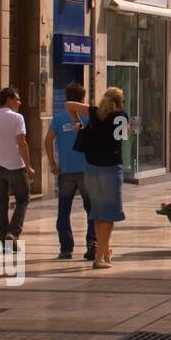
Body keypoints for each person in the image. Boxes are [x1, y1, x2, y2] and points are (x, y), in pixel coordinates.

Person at [65, 87, 127, 269]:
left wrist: (79, 123)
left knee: (98, 213)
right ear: (119, 102)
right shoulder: (121, 117)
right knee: (109, 215)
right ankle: (99, 258)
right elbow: (121, 138)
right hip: (111, 168)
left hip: (91, 168)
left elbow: (69, 105)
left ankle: (105, 250)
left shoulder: (93, 112)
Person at [46, 83, 96, 260]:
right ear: (82, 99)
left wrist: (52, 163)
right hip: (86, 170)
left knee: (63, 210)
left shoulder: (58, 118)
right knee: (91, 209)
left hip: (66, 171)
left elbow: (48, 140)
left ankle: (66, 249)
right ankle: (92, 244)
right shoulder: (89, 117)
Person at [0, 86, 35, 251]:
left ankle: (3, 239)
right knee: (23, 199)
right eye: (17, 99)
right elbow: (22, 143)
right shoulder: (17, 118)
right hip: (16, 166)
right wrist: (28, 166)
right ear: (9, 99)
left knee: (2, 204)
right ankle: (12, 232)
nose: (20, 102)